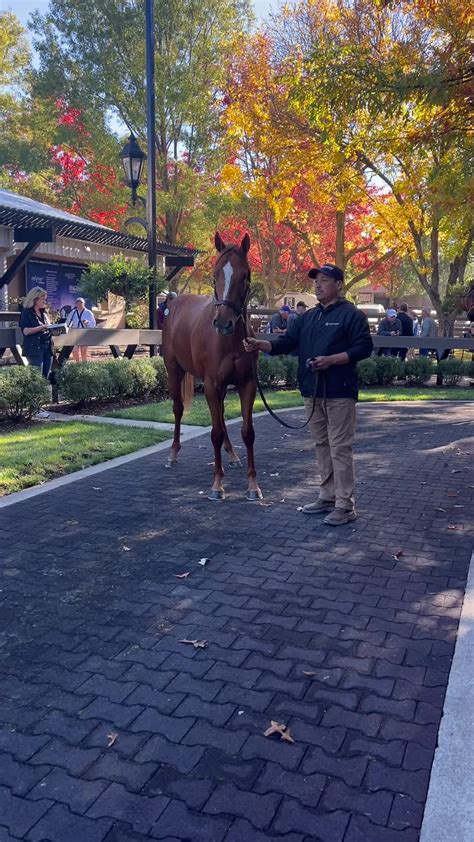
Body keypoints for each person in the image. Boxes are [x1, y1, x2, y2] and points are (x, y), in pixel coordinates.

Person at [244, 263, 373, 525]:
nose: (318, 285)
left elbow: (363, 348)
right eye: (316, 281)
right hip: (311, 390)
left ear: (338, 285)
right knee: (322, 445)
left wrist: (331, 360)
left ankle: (345, 506)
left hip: (340, 392)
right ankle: (327, 497)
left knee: (340, 447)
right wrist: (261, 344)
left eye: (324, 280)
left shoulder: (352, 315)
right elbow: (287, 342)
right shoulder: (307, 318)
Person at [19, 286, 54, 379]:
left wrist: (55, 329)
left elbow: (48, 327)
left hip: (48, 348)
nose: (44, 302)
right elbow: (26, 331)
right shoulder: (26, 313)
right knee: (36, 378)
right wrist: (42, 327)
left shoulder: (44, 312)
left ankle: (45, 393)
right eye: (42, 299)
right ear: (35, 300)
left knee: (45, 376)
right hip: (34, 348)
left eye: (45, 299)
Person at [66, 297, 96, 362]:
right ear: (76, 304)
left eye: (81, 303)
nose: (79, 304)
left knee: (83, 352)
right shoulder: (73, 312)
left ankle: (84, 366)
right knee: (74, 350)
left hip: (84, 334)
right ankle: (77, 364)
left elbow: (93, 325)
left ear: (84, 304)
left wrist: (87, 322)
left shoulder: (88, 313)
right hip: (75, 334)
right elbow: (68, 322)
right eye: (78, 303)